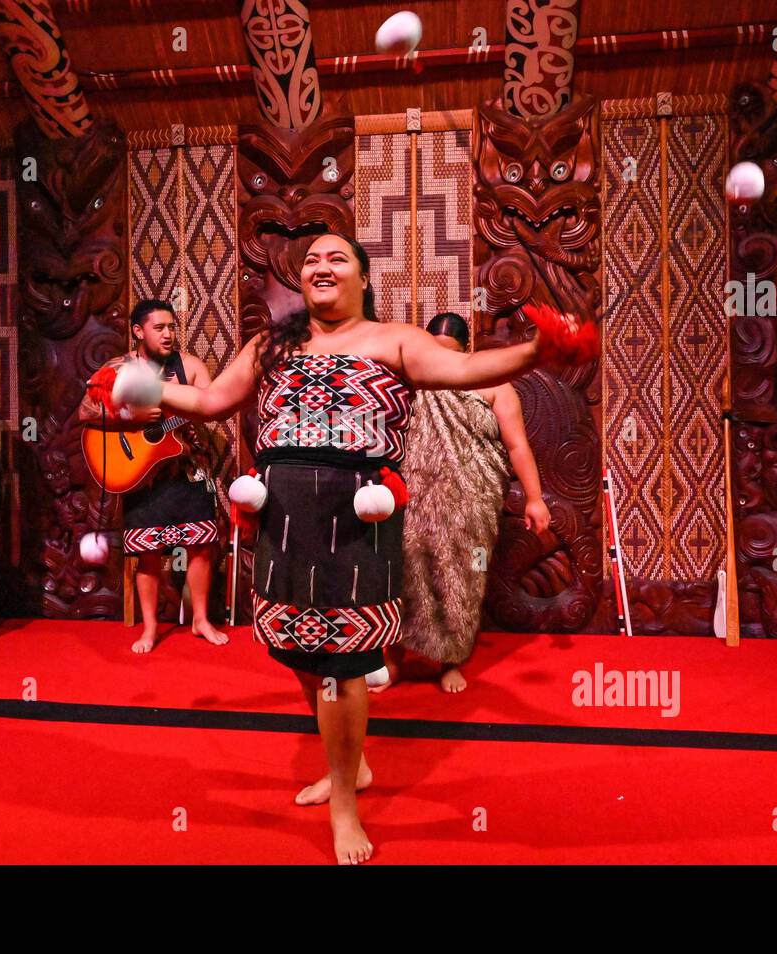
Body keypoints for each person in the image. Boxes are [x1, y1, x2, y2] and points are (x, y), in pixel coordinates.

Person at [94, 232, 579, 864]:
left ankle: (346, 804)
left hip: (358, 515)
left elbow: (467, 370)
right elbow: (211, 401)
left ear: (362, 277)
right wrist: (144, 392)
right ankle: (345, 760)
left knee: (346, 662)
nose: (321, 266)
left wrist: (537, 348)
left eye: (336, 258)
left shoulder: (398, 339)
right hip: (282, 511)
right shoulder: (273, 343)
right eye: (313, 260)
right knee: (295, 645)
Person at [378, 313, 551, 694]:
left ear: (465, 352)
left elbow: (516, 444)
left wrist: (535, 498)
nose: (440, 364)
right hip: (415, 495)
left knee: (465, 578)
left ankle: (451, 661)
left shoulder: (494, 384)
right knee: (403, 571)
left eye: (450, 355)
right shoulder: (409, 377)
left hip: (474, 500)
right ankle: (393, 660)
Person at [78, 299, 229, 653]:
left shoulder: (189, 366)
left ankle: (201, 620)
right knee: (148, 554)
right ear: (138, 331)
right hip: (141, 475)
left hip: (187, 471)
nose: (168, 334)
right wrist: (128, 420)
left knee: (202, 547)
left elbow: (212, 404)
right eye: (159, 328)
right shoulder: (118, 369)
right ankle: (148, 628)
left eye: (172, 327)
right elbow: (85, 411)